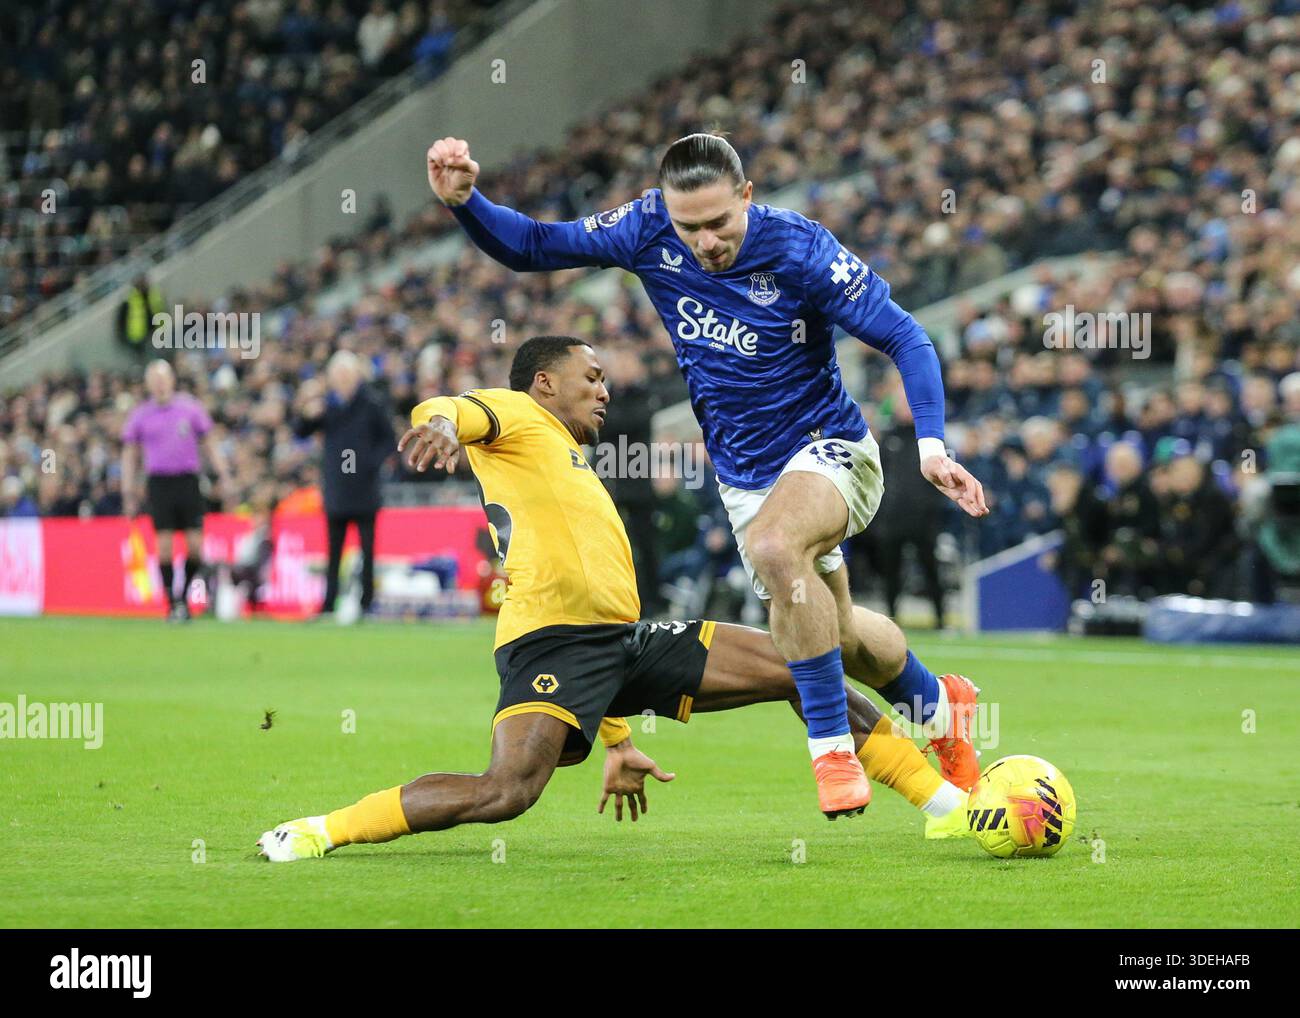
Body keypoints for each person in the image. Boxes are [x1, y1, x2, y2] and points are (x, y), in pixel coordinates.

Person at [425, 134, 989, 818]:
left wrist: (931, 445)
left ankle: (832, 750)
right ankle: (942, 711)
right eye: (689, 227)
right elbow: (535, 246)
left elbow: (907, 336)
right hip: (745, 477)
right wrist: (466, 202)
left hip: (829, 447)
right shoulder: (646, 227)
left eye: (720, 223)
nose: (706, 241)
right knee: (833, 635)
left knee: (778, 549)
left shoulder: (800, 248)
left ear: (747, 197)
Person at [258, 337, 971, 862]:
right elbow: (453, 407)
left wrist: (619, 738)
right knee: (506, 791)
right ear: (544, 383)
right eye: (589, 377)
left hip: (624, 640)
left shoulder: (564, 452)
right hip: (552, 644)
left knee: (802, 660)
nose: (603, 390)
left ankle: (948, 809)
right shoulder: (514, 415)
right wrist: (442, 421)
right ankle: (325, 829)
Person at [121, 360, 232, 620]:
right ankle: (173, 602)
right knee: (165, 546)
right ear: (148, 384)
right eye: (154, 379)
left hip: (188, 481)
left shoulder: (189, 408)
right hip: (159, 484)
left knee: (195, 546)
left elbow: (210, 443)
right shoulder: (140, 415)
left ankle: (182, 597)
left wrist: (224, 474)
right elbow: (130, 454)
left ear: (172, 380)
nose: (159, 383)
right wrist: (128, 491)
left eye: (163, 378)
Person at [293, 351, 397, 620]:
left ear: (356, 376)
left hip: (364, 489)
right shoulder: (327, 406)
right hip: (337, 489)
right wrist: (306, 413)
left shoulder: (371, 404)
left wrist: (370, 464)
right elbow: (300, 431)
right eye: (337, 375)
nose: (342, 379)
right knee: (334, 551)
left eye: (346, 374)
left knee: (367, 550)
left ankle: (366, 603)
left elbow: (388, 440)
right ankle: (329, 603)